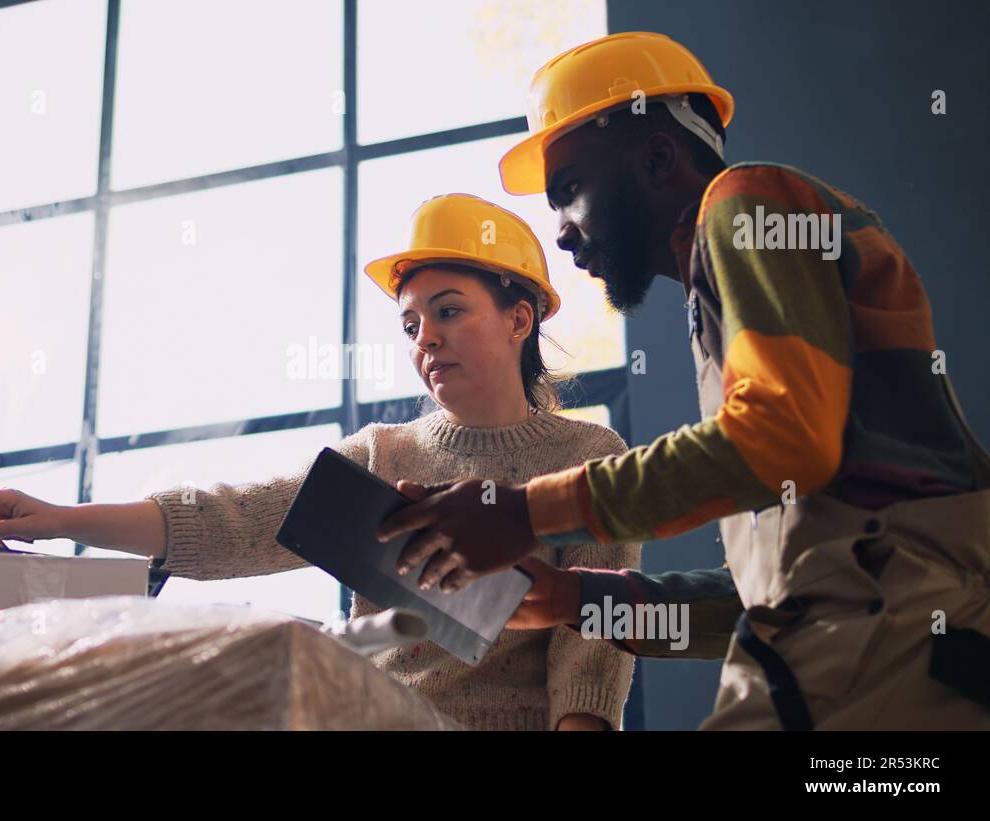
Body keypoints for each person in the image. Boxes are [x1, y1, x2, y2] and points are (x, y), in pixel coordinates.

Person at [378, 32, 990, 730]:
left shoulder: (747, 202)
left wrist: (520, 512)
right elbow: (770, 595)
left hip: (896, 659)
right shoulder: (726, 316)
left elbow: (787, 440)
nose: (562, 233)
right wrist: (575, 598)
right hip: (854, 661)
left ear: (659, 157)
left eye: (570, 190)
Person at [0, 193, 642, 731]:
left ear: (519, 320)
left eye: (450, 311)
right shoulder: (384, 453)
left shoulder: (588, 459)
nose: (425, 338)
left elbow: (590, 658)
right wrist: (60, 519)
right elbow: (237, 521)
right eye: (409, 325)